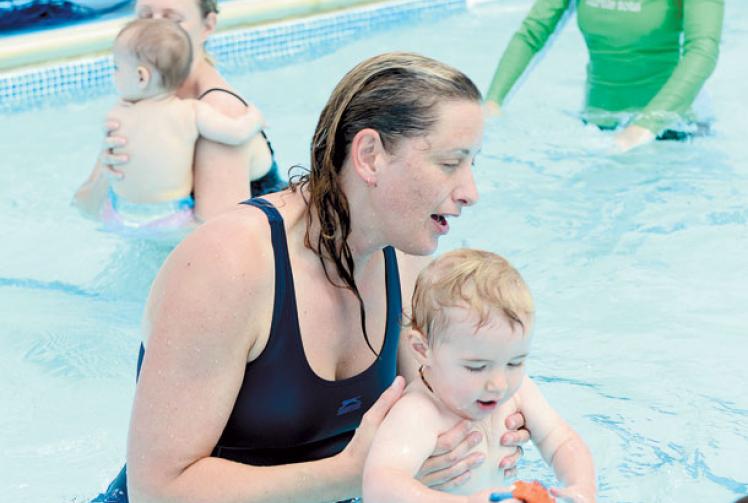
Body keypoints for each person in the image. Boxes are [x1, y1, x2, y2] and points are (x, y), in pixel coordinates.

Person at [92, 52, 531, 503]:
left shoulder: (405, 258)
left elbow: (430, 402)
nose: (470, 192)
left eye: (473, 164)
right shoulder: (230, 265)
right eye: (450, 163)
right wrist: (350, 474)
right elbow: (156, 491)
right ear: (370, 156)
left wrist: (481, 427)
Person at [362, 248, 596, 503]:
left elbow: (561, 442)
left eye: (515, 363)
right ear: (422, 349)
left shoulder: (518, 394)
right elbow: (379, 488)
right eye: (477, 367)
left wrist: (580, 488)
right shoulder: (419, 413)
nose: (499, 385)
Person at [98, 0, 286, 223]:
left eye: (172, 19)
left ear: (208, 25)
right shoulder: (141, 101)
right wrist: (108, 170)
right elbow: (86, 206)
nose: (155, 29)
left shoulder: (218, 112)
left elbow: (219, 233)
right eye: (145, 16)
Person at [485, 0, 724, 152]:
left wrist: (645, 126)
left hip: (677, 134)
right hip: (598, 129)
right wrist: (493, 102)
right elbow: (532, 34)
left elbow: (702, 51)